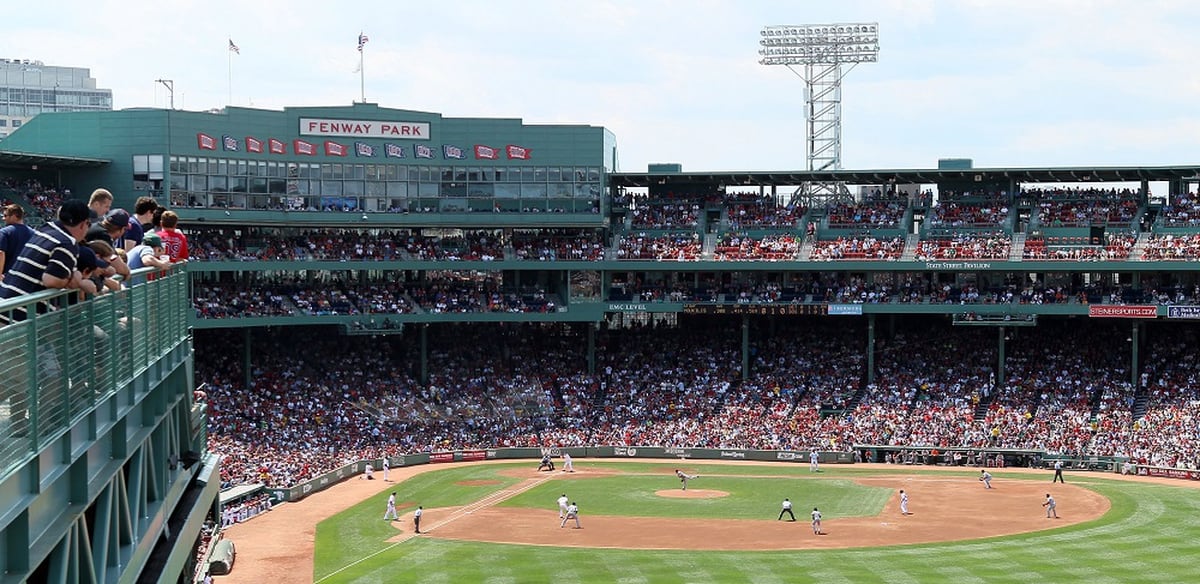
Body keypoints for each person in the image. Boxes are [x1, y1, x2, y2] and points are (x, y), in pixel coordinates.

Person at [0, 204, 35, 277]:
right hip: (26, 276)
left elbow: (1, 253)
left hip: (7, 276)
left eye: (6, 216)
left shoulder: (4, 232)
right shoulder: (34, 233)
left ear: (14, 216)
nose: (3, 218)